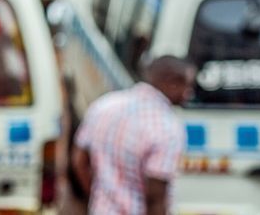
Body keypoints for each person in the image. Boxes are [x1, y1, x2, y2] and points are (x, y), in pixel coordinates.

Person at [72, 56, 197, 215]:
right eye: (188, 85)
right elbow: (155, 199)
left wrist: (100, 198)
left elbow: (79, 161)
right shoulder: (167, 127)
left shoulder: (103, 106)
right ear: (172, 82)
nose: (189, 93)